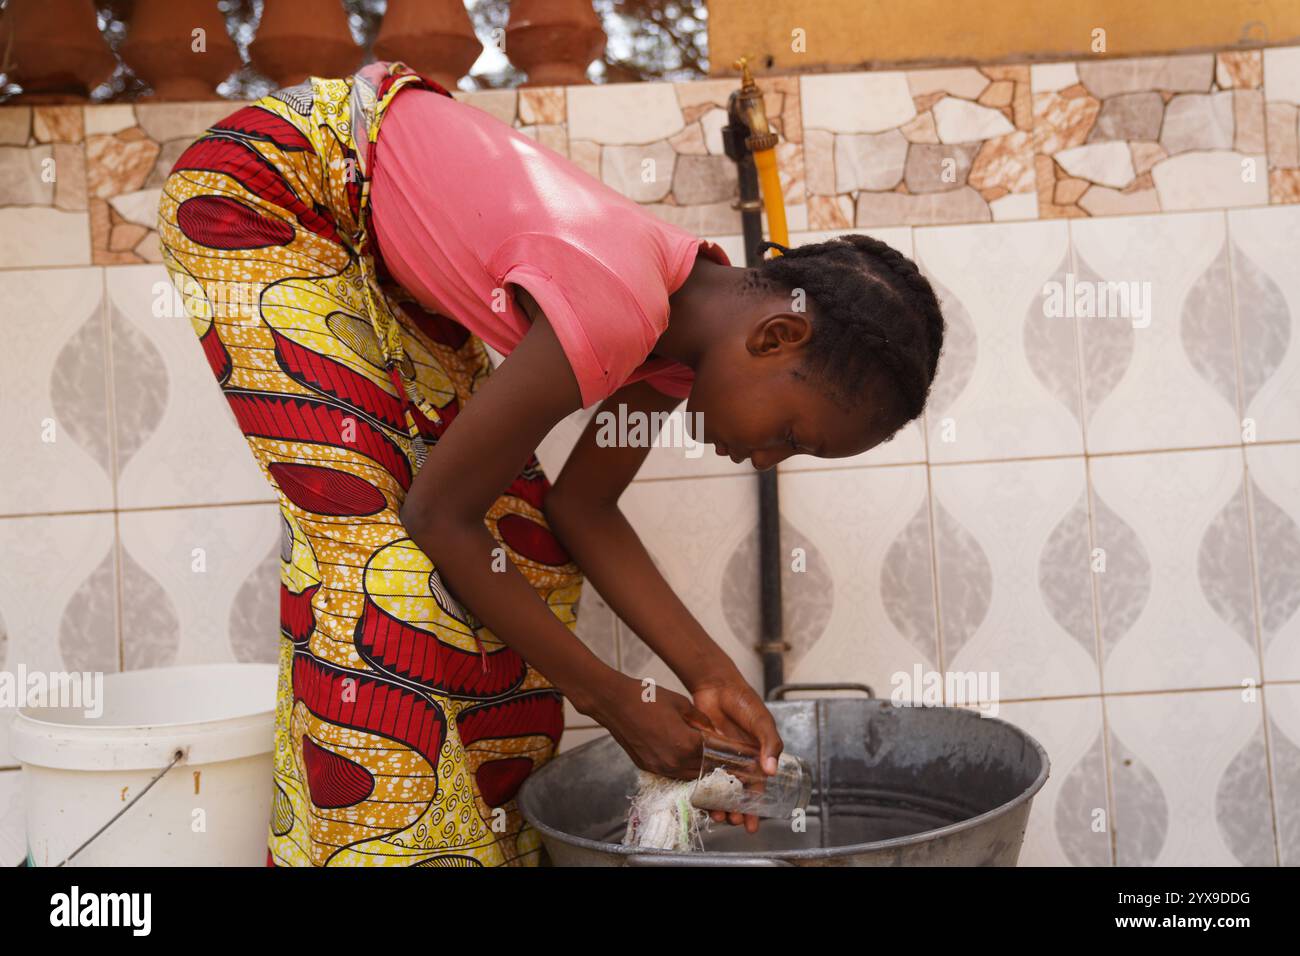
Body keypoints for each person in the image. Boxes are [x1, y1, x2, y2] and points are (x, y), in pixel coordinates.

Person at [156, 61, 945, 867]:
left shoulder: (678, 341)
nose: (768, 460)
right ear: (776, 338)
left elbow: (582, 510)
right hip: (272, 186)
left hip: (374, 252)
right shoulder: (617, 304)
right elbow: (438, 513)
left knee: (528, 554)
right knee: (384, 570)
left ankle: (477, 842)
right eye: (791, 432)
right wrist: (611, 698)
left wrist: (712, 675)